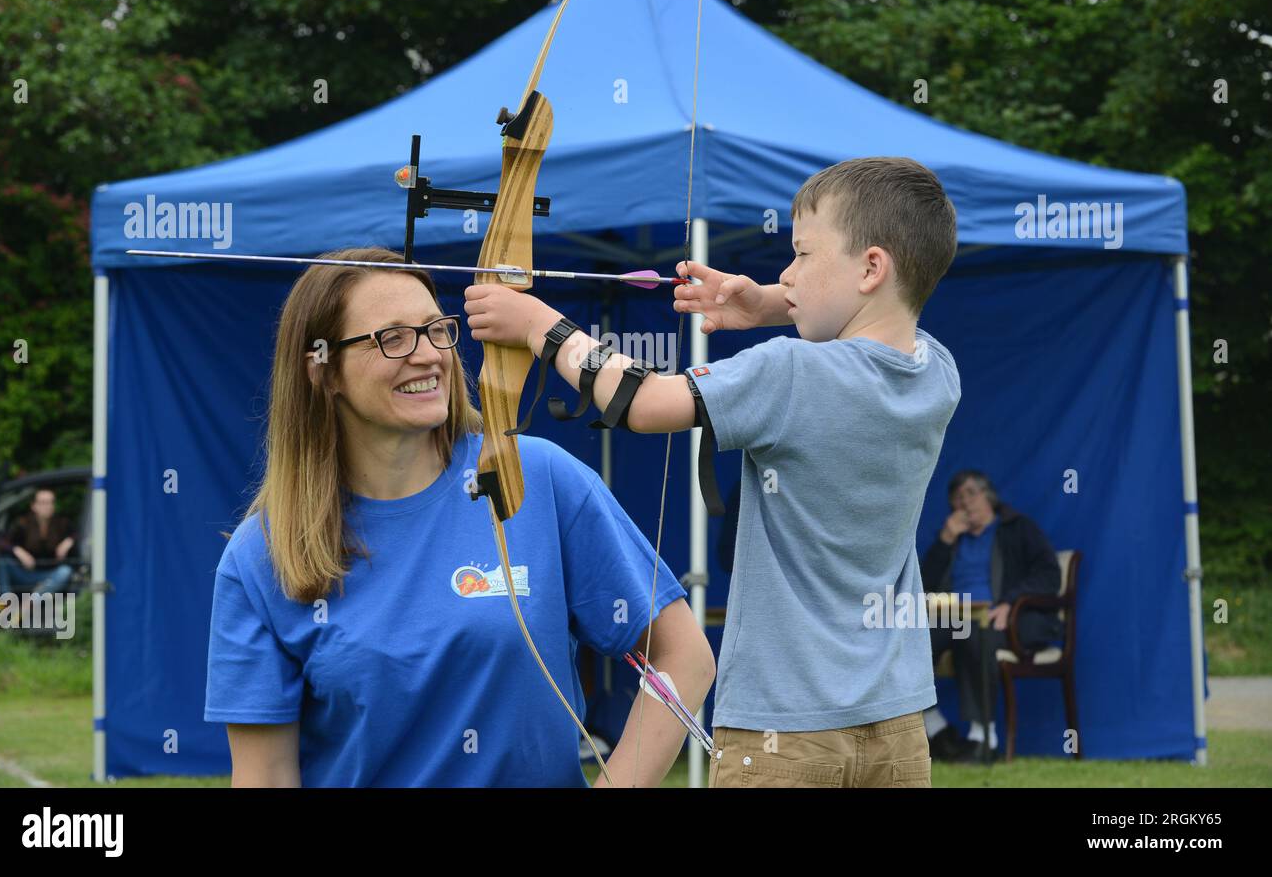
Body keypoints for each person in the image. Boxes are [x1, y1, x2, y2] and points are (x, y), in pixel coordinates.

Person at [466, 157, 960, 787]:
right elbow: (885, 313)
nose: (786, 274)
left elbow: (641, 402)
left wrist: (541, 326)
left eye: (802, 256)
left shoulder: (789, 372)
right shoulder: (936, 372)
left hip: (785, 730)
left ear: (869, 267)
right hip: (896, 722)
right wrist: (769, 303)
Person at [204, 248, 714, 787]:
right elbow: (264, 777)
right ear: (323, 371)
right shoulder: (263, 552)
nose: (428, 355)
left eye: (436, 330)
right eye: (392, 338)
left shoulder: (535, 478)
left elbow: (683, 655)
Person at [920, 470, 1063, 762]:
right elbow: (923, 586)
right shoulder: (952, 539)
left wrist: (1010, 602)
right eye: (957, 498)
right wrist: (945, 540)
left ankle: (983, 737)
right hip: (955, 616)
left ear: (989, 497)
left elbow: (1049, 573)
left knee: (975, 631)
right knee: (909, 641)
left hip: (1003, 618)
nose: (965, 503)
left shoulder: (1016, 528)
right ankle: (935, 729)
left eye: (971, 493)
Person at [0, 488, 75, 596]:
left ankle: (29, 604)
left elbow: (79, 534)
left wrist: (69, 541)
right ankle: (6, 603)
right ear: (33, 506)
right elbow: (0, 541)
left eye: (51, 502)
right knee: (3, 561)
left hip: (50, 576)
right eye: (43, 502)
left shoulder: (62, 523)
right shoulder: (23, 524)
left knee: (65, 571)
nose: (48, 506)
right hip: (25, 573)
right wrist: (17, 550)